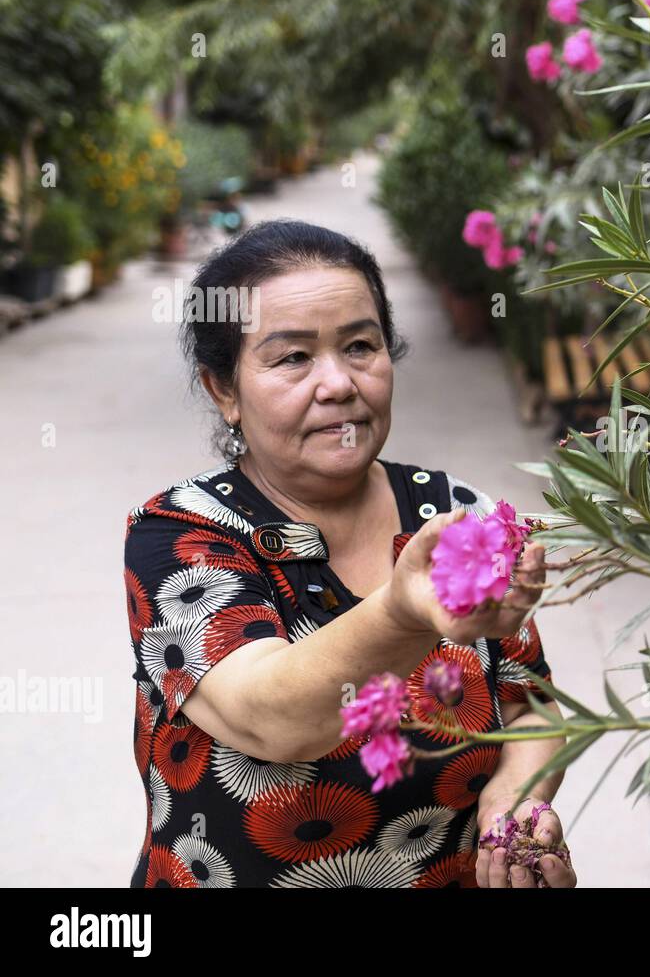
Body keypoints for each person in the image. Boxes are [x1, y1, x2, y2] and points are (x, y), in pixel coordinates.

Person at [124, 219, 576, 887]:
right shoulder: (179, 534)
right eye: (292, 358)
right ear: (225, 391)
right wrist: (403, 611)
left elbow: (531, 705)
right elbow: (275, 717)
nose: (338, 383)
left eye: (360, 346)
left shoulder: (460, 515)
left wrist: (515, 801)